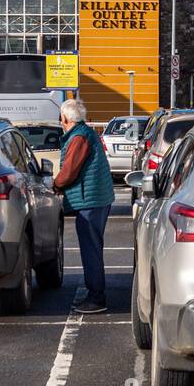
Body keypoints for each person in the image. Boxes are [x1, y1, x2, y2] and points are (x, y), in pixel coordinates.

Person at [51, 99, 114, 314]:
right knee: (93, 248)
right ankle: (95, 295)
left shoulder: (78, 137)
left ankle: (96, 298)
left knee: (91, 250)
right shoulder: (84, 133)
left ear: (65, 118)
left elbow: (69, 171)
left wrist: (55, 184)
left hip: (92, 201)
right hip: (96, 198)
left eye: (61, 117)